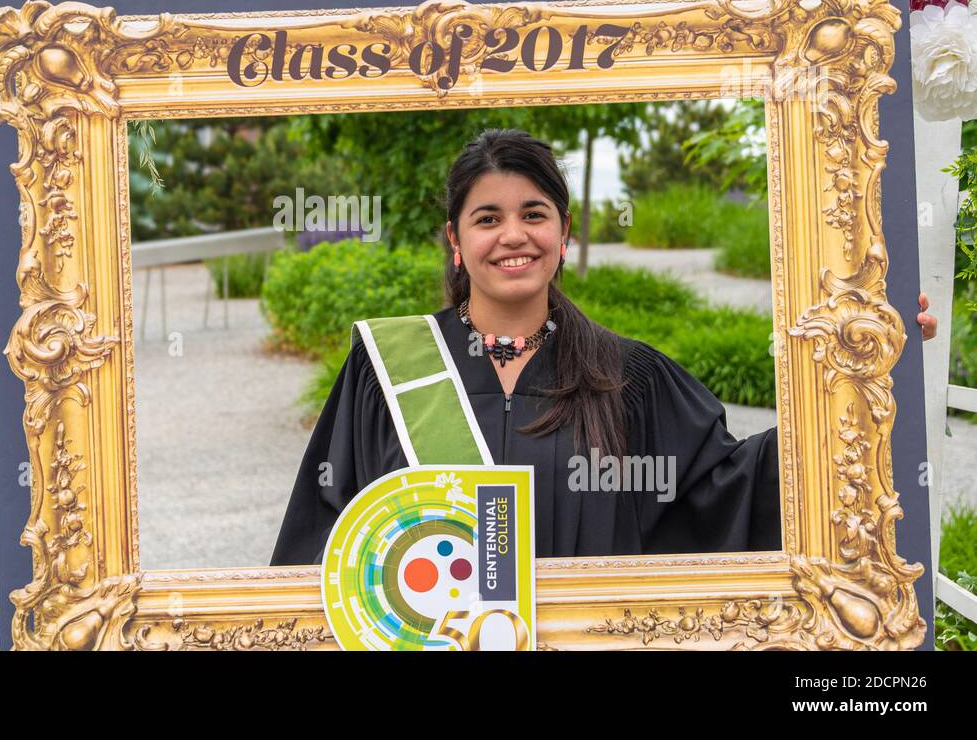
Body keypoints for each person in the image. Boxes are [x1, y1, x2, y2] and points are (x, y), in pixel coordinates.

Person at [270, 128, 938, 566]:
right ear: (455, 239)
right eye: (487, 218)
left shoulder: (627, 375)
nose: (513, 236)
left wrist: (860, 364)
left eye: (534, 215)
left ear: (564, 235)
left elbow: (730, 491)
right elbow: (324, 531)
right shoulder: (385, 370)